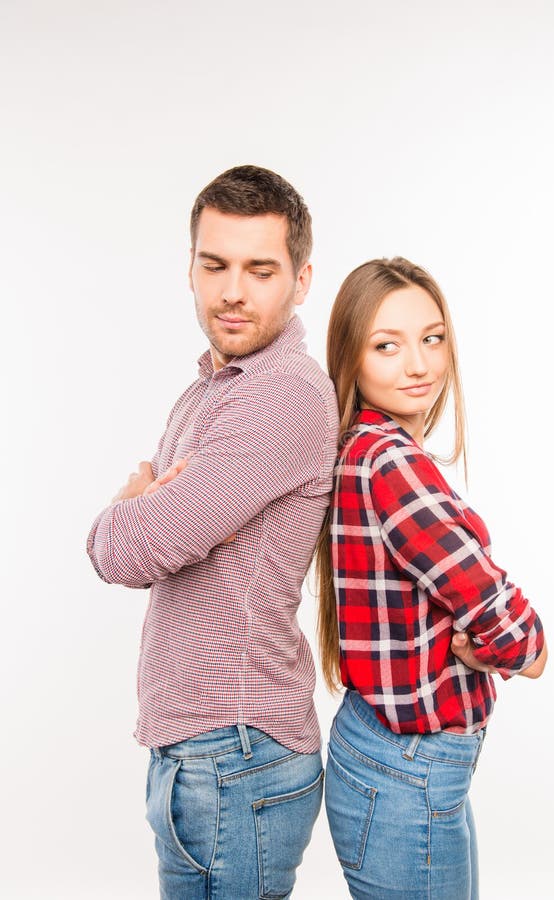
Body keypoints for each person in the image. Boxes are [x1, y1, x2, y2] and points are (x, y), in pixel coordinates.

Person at [87, 165, 339, 899]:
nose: (233, 290)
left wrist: (132, 512)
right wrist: (155, 514)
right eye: (215, 264)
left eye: (260, 269)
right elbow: (154, 537)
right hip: (205, 752)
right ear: (190, 269)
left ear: (300, 279)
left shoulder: (282, 393)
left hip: (236, 753)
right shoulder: (210, 389)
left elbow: (132, 550)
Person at [316, 256, 547, 900]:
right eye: (386, 346)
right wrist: (523, 646)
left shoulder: (362, 448)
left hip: (395, 761)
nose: (416, 364)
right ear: (351, 358)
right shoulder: (391, 462)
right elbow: (509, 628)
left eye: (432, 338)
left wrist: (470, 635)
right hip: (407, 770)